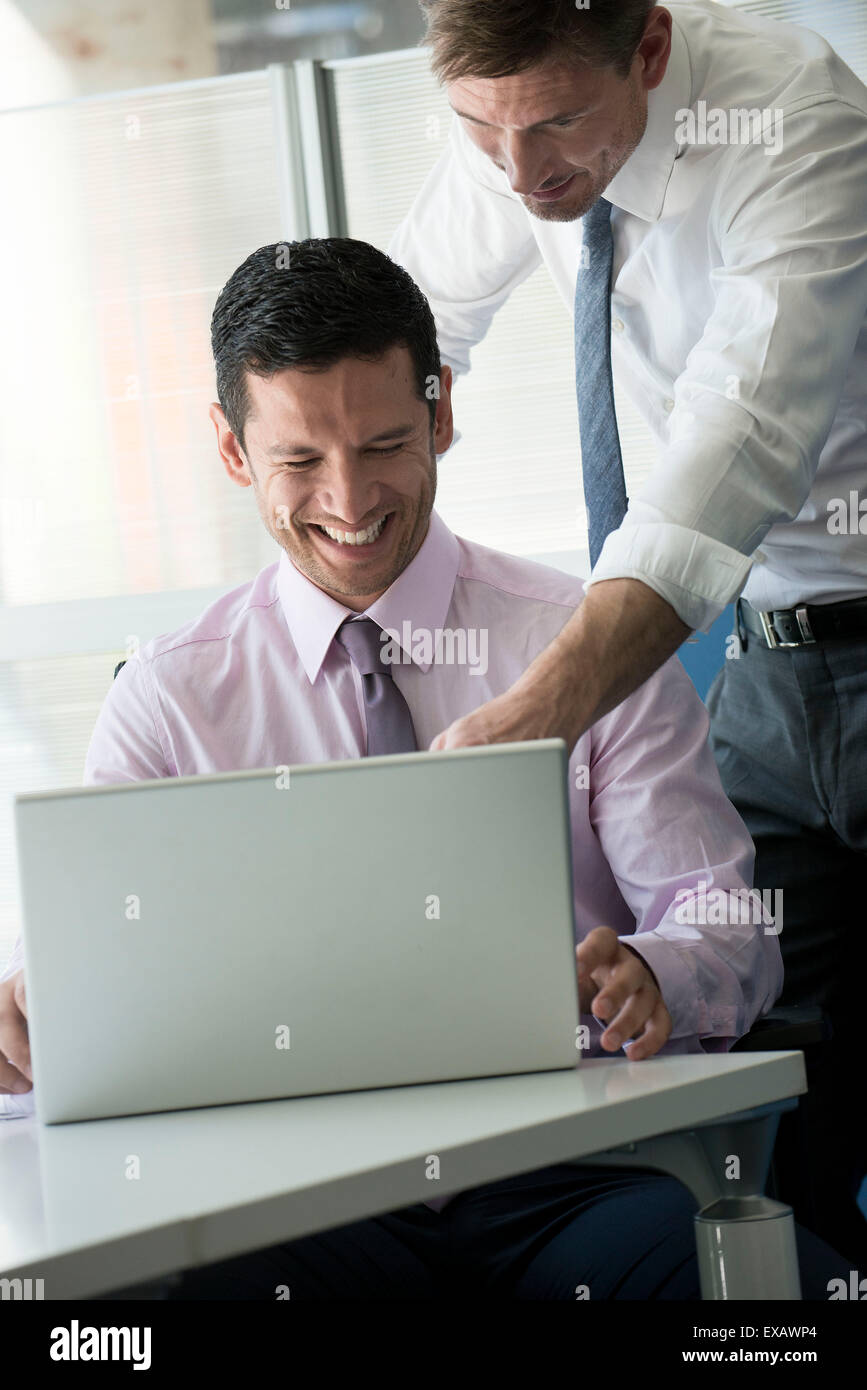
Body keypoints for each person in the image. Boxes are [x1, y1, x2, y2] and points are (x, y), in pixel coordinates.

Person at [0, 238, 847, 1298]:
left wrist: (656, 975)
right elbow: (74, 998)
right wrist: (39, 1020)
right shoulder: (167, 702)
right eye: (301, 460)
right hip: (298, 1203)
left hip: (575, 1178)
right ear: (231, 449)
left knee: (783, 1310)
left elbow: (730, 929)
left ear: (442, 412)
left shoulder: (587, 646)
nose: (350, 499)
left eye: (386, 442)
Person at [388, 0, 867, 1263]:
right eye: (481, 133)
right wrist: (343, 469)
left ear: (649, 51)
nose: (520, 172)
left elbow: (741, 447)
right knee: (787, 1106)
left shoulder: (794, 118)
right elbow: (405, 319)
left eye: (552, 126)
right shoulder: (513, 129)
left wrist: (535, 714)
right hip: (766, 674)